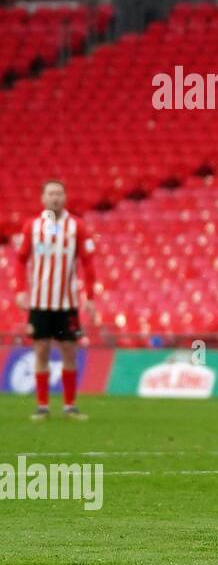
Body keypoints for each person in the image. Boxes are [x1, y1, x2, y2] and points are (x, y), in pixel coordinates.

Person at [13, 180, 96, 421]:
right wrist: (20, 290)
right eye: (50, 193)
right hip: (39, 302)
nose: (55, 198)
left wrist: (90, 296)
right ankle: (42, 406)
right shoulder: (32, 226)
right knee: (41, 349)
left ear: (65, 197)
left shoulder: (77, 226)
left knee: (70, 350)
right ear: (43, 198)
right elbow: (20, 260)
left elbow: (88, 263)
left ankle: (69, 405)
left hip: (67, 303)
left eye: (59, 193)